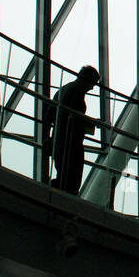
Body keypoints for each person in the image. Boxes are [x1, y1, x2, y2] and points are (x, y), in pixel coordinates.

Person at [47, 65, 101, 195]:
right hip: (71, 144)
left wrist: (48, 137)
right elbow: (76, 118)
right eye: (93, 83)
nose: (92, 87)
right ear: (86, 79)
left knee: (63, 176)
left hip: (58, 140)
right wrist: (94, 122)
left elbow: (50, 115)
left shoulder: (64, 89)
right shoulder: (76, 92)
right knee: (71, 182)